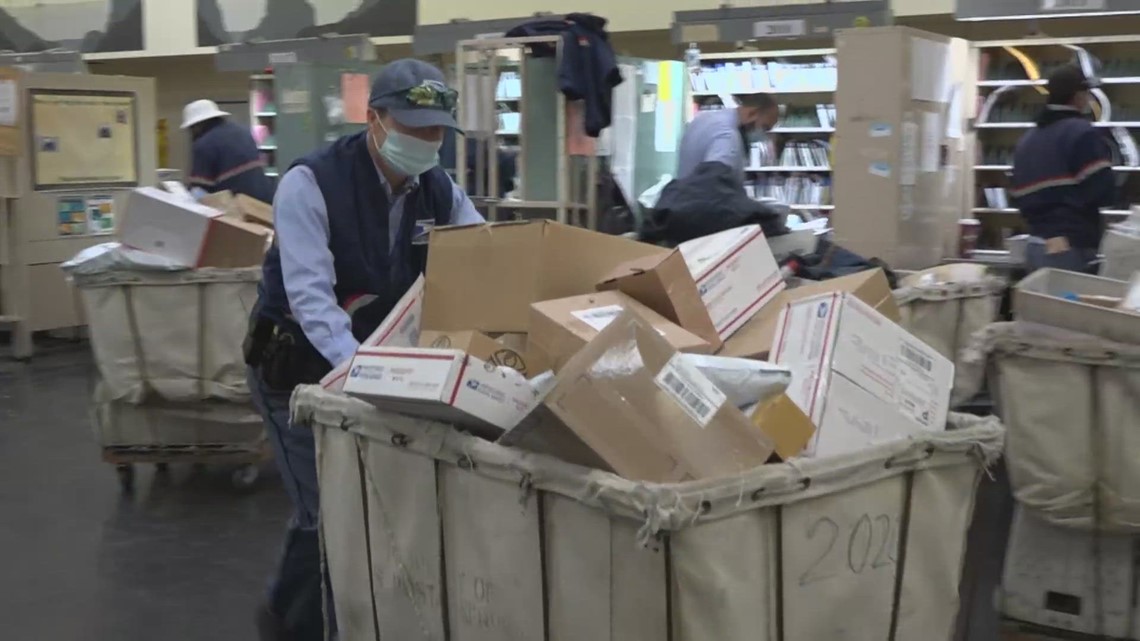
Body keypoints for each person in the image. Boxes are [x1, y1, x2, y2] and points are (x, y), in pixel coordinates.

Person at [243, 59, 484, 641]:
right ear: (374, 118)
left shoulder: (438, 188)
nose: (426, 142)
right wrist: (366, 376)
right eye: (413, 127)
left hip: (375, 368)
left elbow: (483, 253)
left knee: (374, 505)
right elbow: (311, 300)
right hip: (295, 372)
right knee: (325, 509)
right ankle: (286, 621)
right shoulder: (311, 183)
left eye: (435, 132)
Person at [1010, 65, 1115, 273]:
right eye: (1087, 93)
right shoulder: (1081, 133)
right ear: (1077, 96)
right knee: (1070, 304)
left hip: (1035, 244)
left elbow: (1016, 194)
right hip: (1070, 247)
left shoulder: (1028, 139)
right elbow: (1103, 190)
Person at [181, 99, 276, 203]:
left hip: (238, 208)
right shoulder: (243, 131)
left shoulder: (203, 144)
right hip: (265, 202)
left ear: (197, 125)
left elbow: (199, 189)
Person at [676, 93, 781, 180]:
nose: (764, 135)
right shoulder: (727, 136)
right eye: (764, 127)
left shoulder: (703, 119)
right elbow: (716, 183)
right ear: (752, 113)